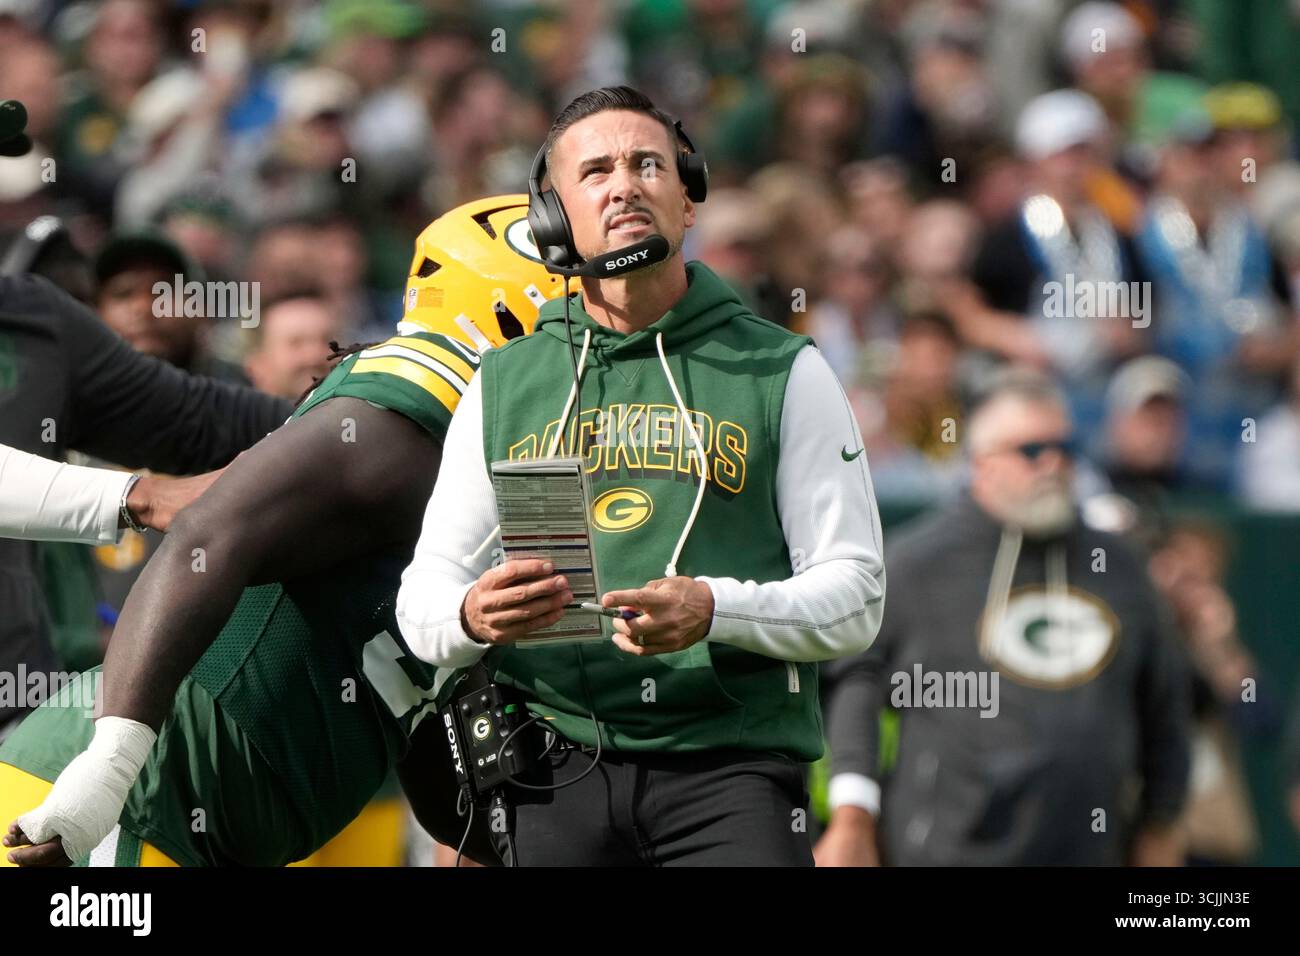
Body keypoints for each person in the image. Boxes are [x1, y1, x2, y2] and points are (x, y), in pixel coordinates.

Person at [396, 86, 886, 867]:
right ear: (553, 219)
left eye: (647, 163)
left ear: (687, 201)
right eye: (596, 171)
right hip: (548, 764)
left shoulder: (785, 369)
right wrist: (469, 614)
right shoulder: (505, 381)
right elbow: (423, 594)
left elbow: (856, 597)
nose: (624, 184)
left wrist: (714, 609)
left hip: (730, 770)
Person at [2, 196, 566, 868]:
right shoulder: (416, 407)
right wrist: (110, 767)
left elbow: (414, 705)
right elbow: (206, 538)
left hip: (211, 825)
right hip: (132, 801)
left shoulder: (500, 468)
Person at [815, 370, 1191, 866]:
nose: (1054, 464)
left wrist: (1161, 824)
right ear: (982, 464)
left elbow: (1165, 707)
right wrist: (852, 817)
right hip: (947, 853)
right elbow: (855, 682)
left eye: (1065, 448)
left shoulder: (1118, 568)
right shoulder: (920, 564)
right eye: (1032, 451)